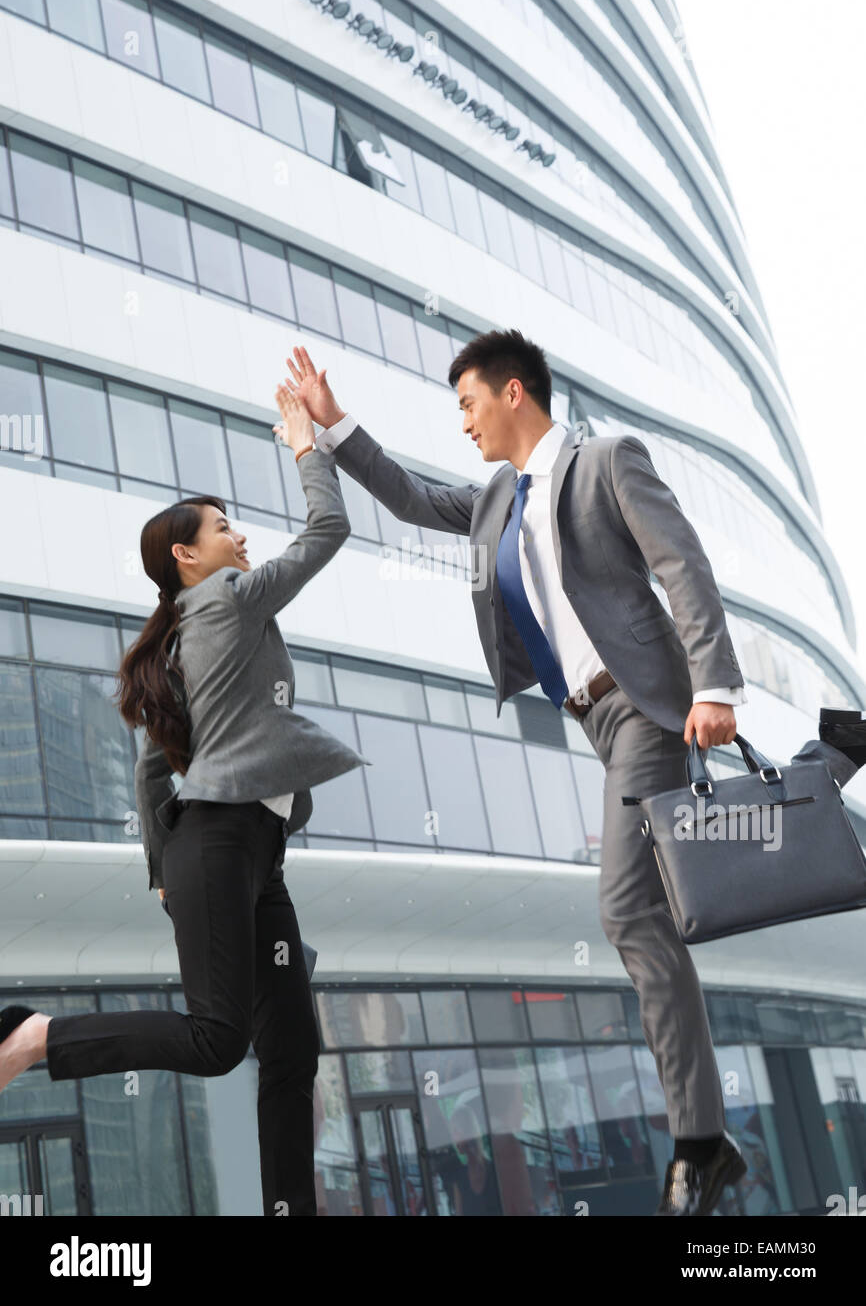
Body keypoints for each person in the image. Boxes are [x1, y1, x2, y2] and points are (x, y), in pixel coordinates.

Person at [280, 331, 866, 1216]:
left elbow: (683, 564)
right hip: (596, 721)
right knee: (692, 864)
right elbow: (407, 498)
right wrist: (335, 428)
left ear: (515, 392)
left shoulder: (604, 462)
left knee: (628, 910)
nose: (465, 424)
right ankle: (833, 758)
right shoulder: (494, 506)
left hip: (645, 704)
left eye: (470, 404)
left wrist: (714, 684)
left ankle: (702, 1146)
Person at [0, 382, 369, 1217]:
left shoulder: (178, 643)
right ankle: (34, 1037)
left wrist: (161, 872)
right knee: (218, 1041)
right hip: (222, 845)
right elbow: (329, 530)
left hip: (245, 857)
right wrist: (307, 446)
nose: (240, 534)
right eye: (223, 525)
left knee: (291, 1049)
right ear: (188, 558)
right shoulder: (229, 600)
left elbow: (147, 771)